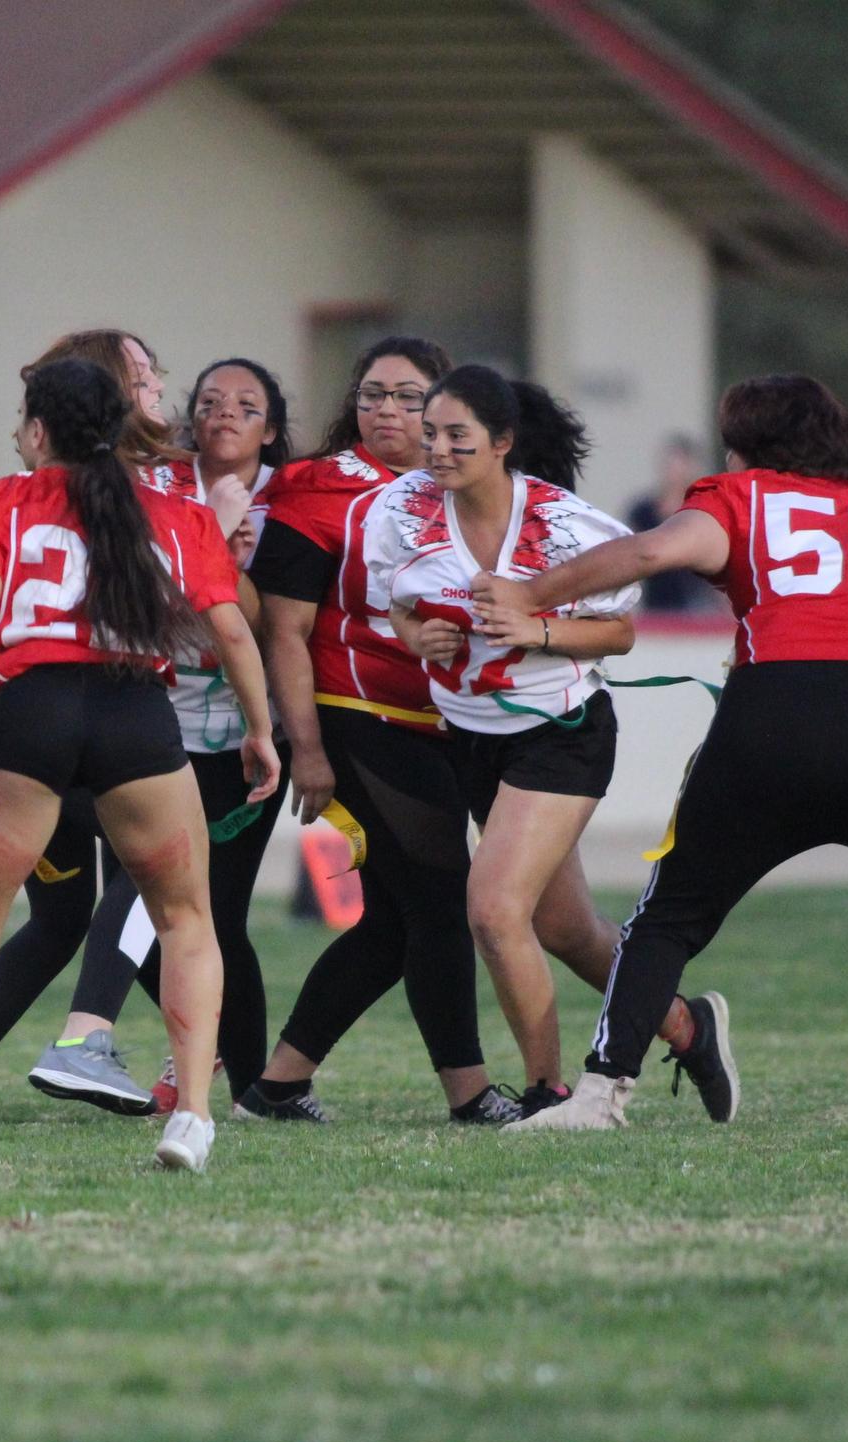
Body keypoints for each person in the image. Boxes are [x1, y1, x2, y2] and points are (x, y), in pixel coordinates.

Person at [480, 373, 848, 1132]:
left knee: (669, 916)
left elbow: (648, 553)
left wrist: (528, 596)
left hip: (775, 716)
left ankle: (600, 1094)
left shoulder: (743, 498)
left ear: (750, 448)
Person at [0, 356, 278, 1175]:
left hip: (32, 709)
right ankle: (190, 1115)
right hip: (136, 714)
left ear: (40, 429)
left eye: (22, 419)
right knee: (189, 920)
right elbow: (229, 630)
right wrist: (260, 727)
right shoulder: (173, 511)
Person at [375, 367, 734, 1118]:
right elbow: (401, 609)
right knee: (564, 927)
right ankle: (688, 1025)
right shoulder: (398, 508)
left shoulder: (571, 527)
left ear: (503, 443)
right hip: (473, 738)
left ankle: (548, 1094)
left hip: (560, 732)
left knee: (494, 909)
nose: (435, 449)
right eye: (430, 433)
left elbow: (622, 633)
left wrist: (537, 628)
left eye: (455, 436)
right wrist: (421, 636)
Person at [0, 328, 203, 1125]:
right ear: (104, 398)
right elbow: (225, 622)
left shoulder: (32, 492)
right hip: (109, 716)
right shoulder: (150, 498)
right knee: (176, 893)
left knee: (47, 916)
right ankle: (91, 1039)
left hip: (25, 721)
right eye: (141, 377)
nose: (157, 389)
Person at [235, 335, 509, 1123]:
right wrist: (309, 749)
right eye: (372, 393)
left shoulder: (462, 489)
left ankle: (277, 1086)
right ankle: (470, 1094)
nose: (387, 409)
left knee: (395, 922)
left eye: (408, 395)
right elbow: (284, 630)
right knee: (442, 901)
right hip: (358, 720)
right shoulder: (320, 490)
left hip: (445, 723)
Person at [24, 357, 294, 1115]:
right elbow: (154, 602)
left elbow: (264, 621)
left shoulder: (294, 498)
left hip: (240, 729)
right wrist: (216, 526)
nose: (223, 413)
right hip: (150, 718)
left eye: (246, 405)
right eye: (207, 400)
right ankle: (91, 1041)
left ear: (272, 428)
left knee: (215, 920)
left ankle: (242, 1082)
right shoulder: (155, 490)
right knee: (160, 897)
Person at [622, 434, 713, 612]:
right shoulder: (643, 512)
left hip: (696, 608)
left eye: (681, 464)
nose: (675, 471)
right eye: (671, 463)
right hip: (655, 606)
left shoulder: (702, 510)